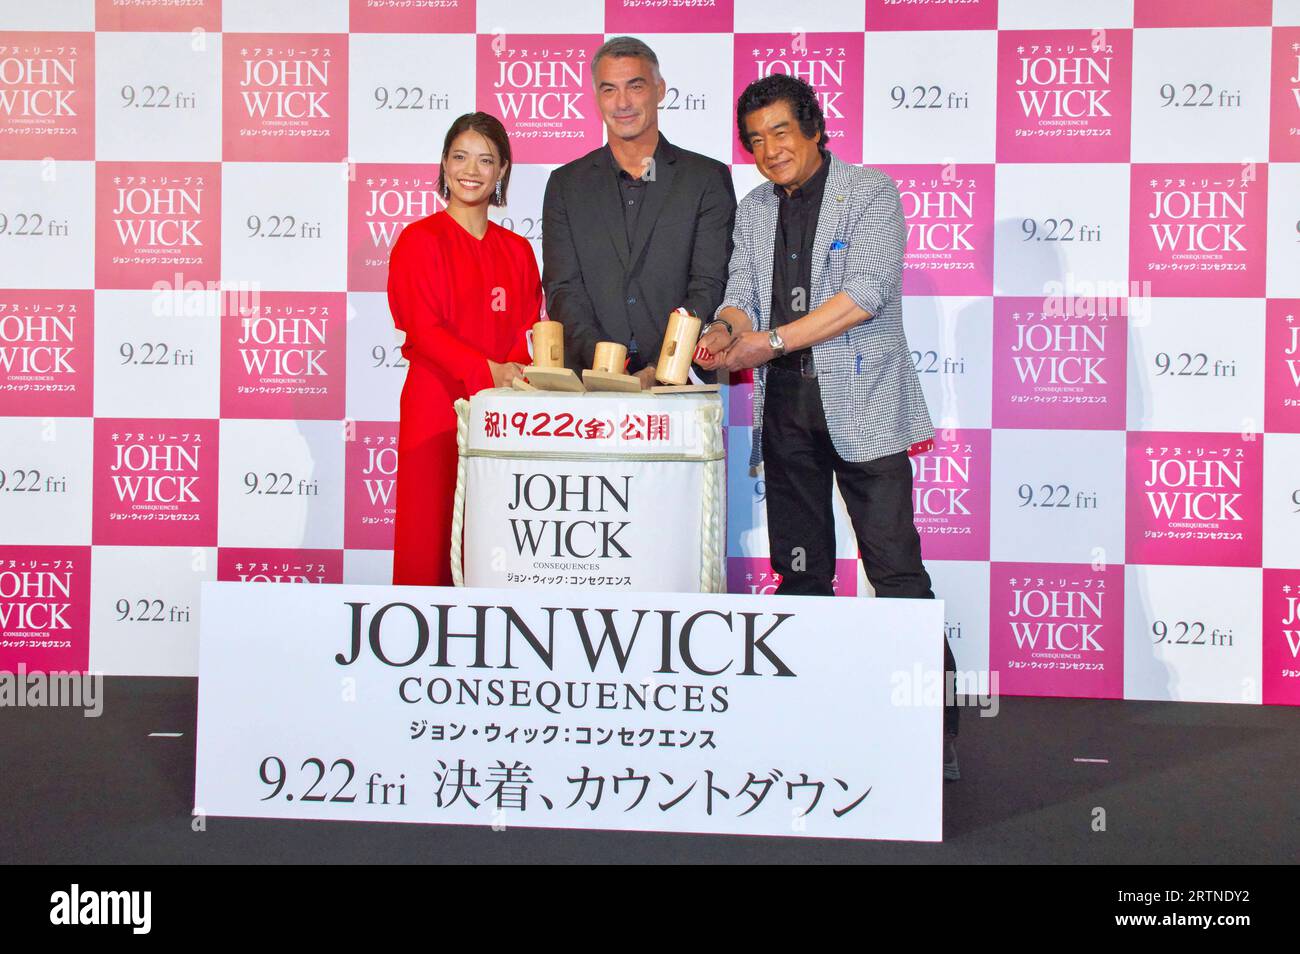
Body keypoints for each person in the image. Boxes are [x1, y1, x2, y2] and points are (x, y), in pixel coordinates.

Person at [696, 74, 960, 779]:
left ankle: (937, 735)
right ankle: (809, 721)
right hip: (785, 414)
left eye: (782, 131)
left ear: (814, 129)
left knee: (897, 575)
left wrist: (768, 343)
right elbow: (742, 297)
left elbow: (865, 295)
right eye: (755, 139)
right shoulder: (753, 209)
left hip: (866, 405)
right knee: (800, 575)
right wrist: (726, 332)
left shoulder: (871, 192)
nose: (770, 149)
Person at [386, 112, 541, 586]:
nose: (471, 170)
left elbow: (530, 326)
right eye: (460, 157)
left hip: (502, 412)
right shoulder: (418, 240)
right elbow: (422, 329)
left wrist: (512, 372)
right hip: (434, 408)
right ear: (444, 164)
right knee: (427, 538)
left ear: (502, 171)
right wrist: (487, 370)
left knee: (495, 536)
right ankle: (416, 649)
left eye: (485, 159)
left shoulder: (517, 249)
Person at [542, 36, 735, 385]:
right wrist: (605, 363)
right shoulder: (566, 184)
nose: (623, 103)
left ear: (659, 90)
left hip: (680, 383)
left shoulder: (705, 179)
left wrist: (664, 364)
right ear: (596, 97)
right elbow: (563, 288)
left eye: (635, 86)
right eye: (609, 90)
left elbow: (709, 284)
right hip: (589, 385)